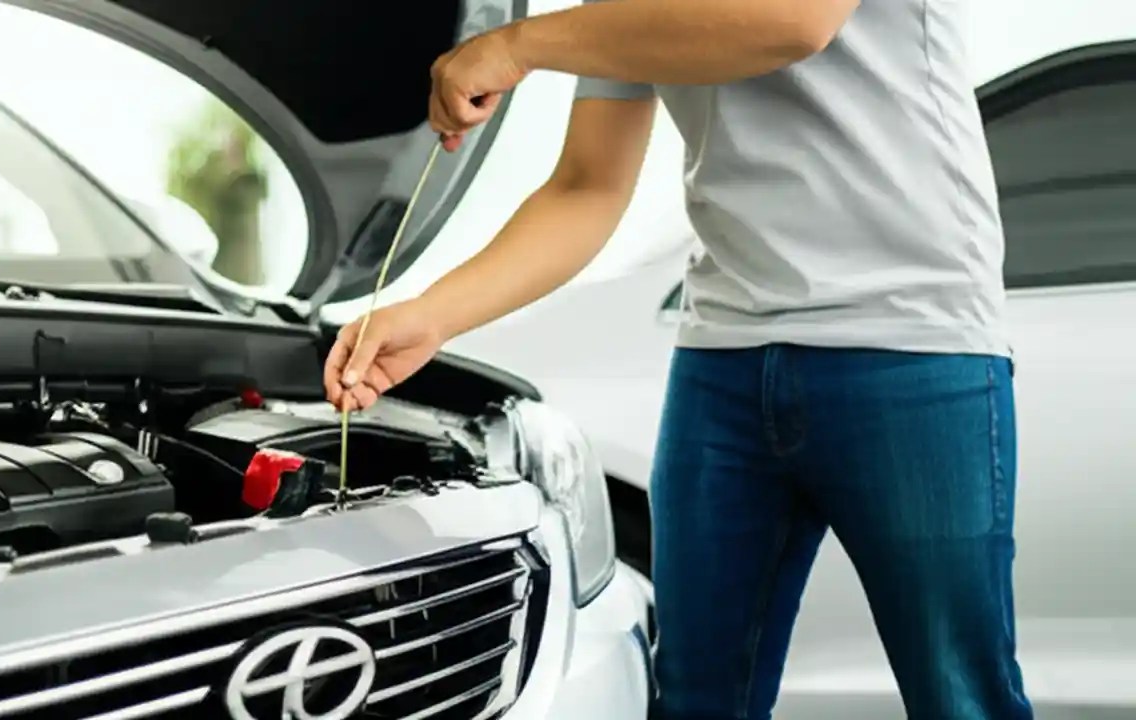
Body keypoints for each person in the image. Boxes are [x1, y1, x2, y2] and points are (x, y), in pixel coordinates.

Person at [323, 0, 1034, 717]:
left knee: (959, 697)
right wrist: (431, 316)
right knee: (695, 699)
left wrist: (518, 47)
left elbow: (791, 23)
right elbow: (586, 187)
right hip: (724, 359)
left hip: (909, 342)